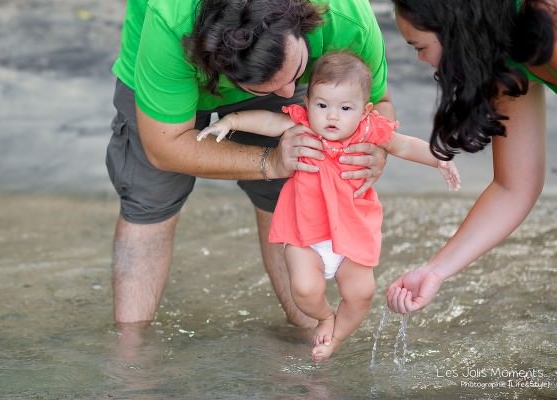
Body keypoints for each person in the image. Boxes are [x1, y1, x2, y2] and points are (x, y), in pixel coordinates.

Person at [105, 0, 395, 330]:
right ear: (213, 72)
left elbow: (380, 105)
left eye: (296, 75)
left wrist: (376, 149)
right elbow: (163, 148)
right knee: (149, 200)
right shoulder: (170, 28)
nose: (286, 97)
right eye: (265, 91)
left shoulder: (344, 17)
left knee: (291, 196)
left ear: (303, 24)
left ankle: (312, 340)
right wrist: (269, 161)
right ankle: (127, 359)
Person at [197, 52, 460, 361]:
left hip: (351, 234)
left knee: (360, 293)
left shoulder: (368, 131)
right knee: (304, 291)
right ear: (307, 103)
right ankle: (324, 316)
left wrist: (439, 158)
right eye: (322, 105)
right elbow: (269, 121)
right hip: (306, 234)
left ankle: (335, 337)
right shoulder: (304, 126)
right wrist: (230, 121)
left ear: (365, 111)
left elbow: (404, 145)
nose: (332, 117)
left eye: (345, 108)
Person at [386, 0, 557, 315]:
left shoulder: (547, 14)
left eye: (419, 46)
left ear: (453, 27)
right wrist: (435, 270)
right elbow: (514, 186)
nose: (422, 61)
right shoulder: (509, 50)